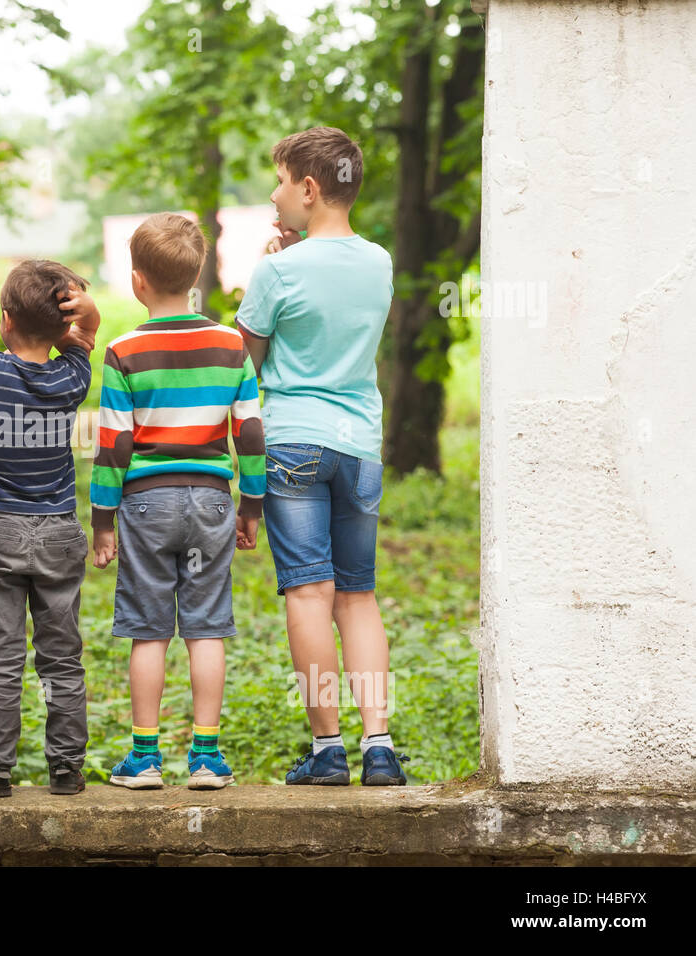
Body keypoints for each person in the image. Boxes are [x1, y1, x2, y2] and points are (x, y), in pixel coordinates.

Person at [234, 126, 408, 786]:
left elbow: (243, 364)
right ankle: (380, 746)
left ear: (308, 189)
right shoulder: (380, 261)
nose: (274, 193)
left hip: (293, 444)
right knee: (358, 597)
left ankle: (328, 748)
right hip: (360, 448)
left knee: (309, 594)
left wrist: (279, 266)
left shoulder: (276, 269)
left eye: (279, 181)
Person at [91, 212, 266, 790]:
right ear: (196, 277)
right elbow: (250, 433)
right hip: (213, 502)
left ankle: (144, 758)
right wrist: (252, 507)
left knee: (148, 629)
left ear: (138, 280)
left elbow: (112, 445)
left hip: (146, 504)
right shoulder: (230, 345)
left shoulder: (122, 351)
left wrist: (102, 521)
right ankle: (207, 758)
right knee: (206, 625)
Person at [0, 260, 101, 798]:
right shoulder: (72, 379)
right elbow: (82, 343)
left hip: (0, 533)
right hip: (59, 532)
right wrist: (85, 323)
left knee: (0, 658)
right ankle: (66, 768)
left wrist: (68, 328)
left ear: (5, 319)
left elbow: (54, 340)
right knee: (61, 657)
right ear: (63, 329)